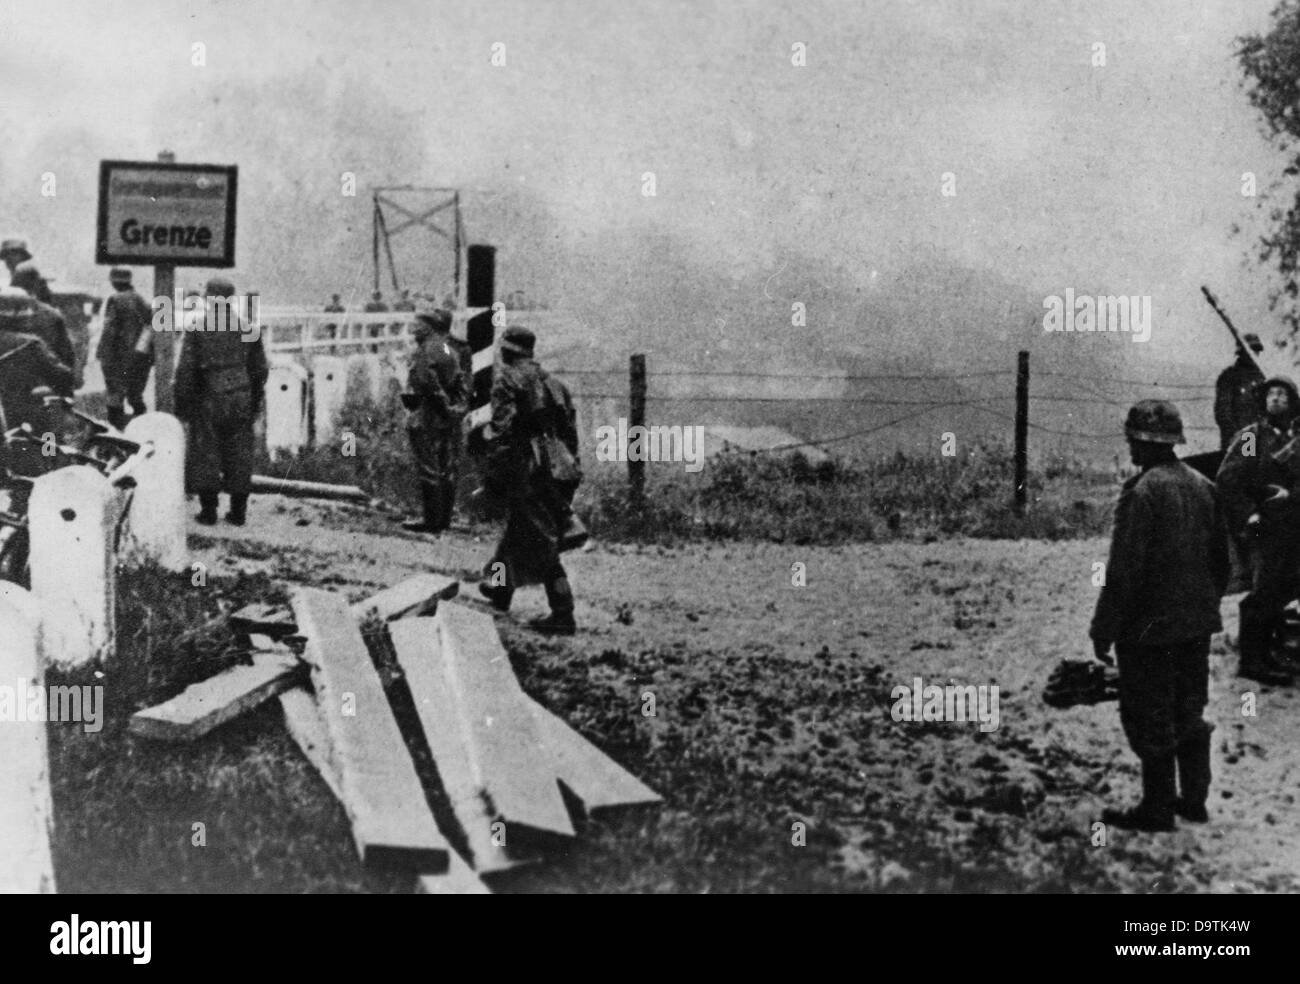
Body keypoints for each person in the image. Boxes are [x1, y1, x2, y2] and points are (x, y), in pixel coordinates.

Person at [1091, 400, 1228, 831]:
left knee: (1149, 714)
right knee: (1189, 709)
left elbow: (1124, 572)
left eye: (1133, 439)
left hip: (1149, 631)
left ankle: (1157, 809)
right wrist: (1202, 605)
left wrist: (1104, 628)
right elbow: (1222, 564)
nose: (1130, 446)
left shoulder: (1142, 492)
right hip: (1196, 624)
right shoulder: (1205, 487)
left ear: (1143, 443)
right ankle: (1194, 800)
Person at [476, 326, 583, 635]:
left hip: (527, 469)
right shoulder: (555, 385)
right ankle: (500, 590)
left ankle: (563, 612)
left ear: (507, 352)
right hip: (560, 469)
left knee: (542, 540)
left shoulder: (508, 379)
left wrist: (493, 468)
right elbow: (571, 436)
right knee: (517, 532)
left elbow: (502, 431)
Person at [1215, 375, 1300, 685]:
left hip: (1296, 524)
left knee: (1287, 588)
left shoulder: (1297, 437)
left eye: (1283, 394)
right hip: (1265, 526)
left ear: (1292, 402)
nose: (1276, 398)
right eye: (1271, 394)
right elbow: (1231, 479)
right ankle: (1252, 661)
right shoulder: (1253, 438)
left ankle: (1269, 653)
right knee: (1264, 590)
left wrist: (1292, 495)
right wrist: (1249, 514)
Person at [173, 277, 268, 526]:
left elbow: (185, 371)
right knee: (240, 452)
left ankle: (209, 511)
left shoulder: (198, 328)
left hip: (209, 396)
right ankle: (238, 512)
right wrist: (254, 400)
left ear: (207, 299)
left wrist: (183, 406)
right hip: (241, 395)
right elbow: (260, 370)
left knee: (206, 452)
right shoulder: (247, 327)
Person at [400, 308, 471, 532]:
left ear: (428, 326)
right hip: (446, 417)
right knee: (446, 468)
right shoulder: (449, 349)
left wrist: (442, 406)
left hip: (427, 415)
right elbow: (461, 382)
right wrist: (455, 409)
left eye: (417, 324)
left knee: (429, 469)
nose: (413, 328)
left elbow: (427, 383)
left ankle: (431, 521)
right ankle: (444, 520)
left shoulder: (426, 350)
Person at [0, 287, 75, 474]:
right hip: (27, 409)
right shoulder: (30, 344)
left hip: (5, 414)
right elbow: (61, 374)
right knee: (48, 435)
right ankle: (50, 469)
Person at [96, 267, 154, 429]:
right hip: (140, 357)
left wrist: (103, 356)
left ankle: (116, 432)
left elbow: (110, 330)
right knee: (135, 396)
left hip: (118, 357)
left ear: (113, 281)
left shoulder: (115, 299)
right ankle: (144, 429)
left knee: (115, 395)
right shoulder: (142, 300)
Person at [10, 264, 77, 392]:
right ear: (36, 284)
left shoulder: (4, 313)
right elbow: (66, 354)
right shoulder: (51, 314)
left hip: (11, 380)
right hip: (45, 380)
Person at [1214, 333, 1266, 450]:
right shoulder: (1229, 376)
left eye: (1257, 350)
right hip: (1240, 440)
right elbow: (1223, 413)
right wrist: (1239, 437)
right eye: (1251, 350)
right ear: (1241, 352)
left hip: (1262, 440)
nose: (1255, 354)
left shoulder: (1262, 377)